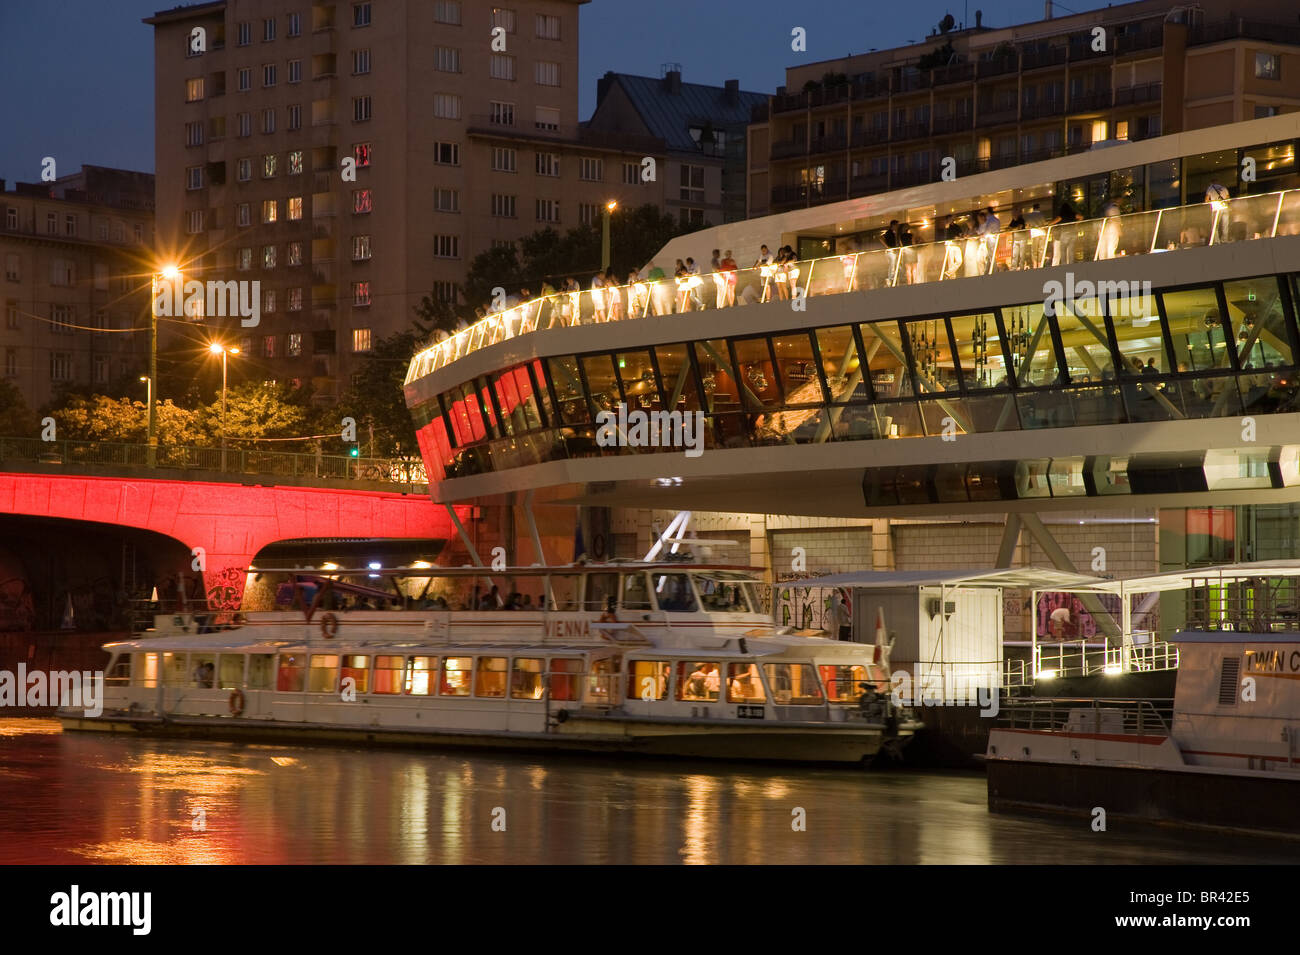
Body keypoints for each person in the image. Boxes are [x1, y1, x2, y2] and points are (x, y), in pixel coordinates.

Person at [1050, 197, 1082, 266]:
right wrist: (1076, 224)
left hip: (1065, 233)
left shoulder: (1062, 215)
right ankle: (1070, 269)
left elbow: (1053, 222)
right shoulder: (1073, 214)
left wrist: (1047, 225)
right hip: (1073, 234)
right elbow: (1081, 217)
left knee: (1063, 251)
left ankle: (1064, 267)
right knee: (1071, 251)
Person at [881, 220, 901, 285]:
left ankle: (892, 278)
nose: (898, 226)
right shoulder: (889, 232)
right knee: (892, 264)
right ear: (893, 225)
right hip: (891, 251)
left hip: (892, 250)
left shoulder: (893, 232)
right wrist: (888, 247)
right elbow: (881, 238)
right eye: (897, 225)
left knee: (893, 264)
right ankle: (891, 278)